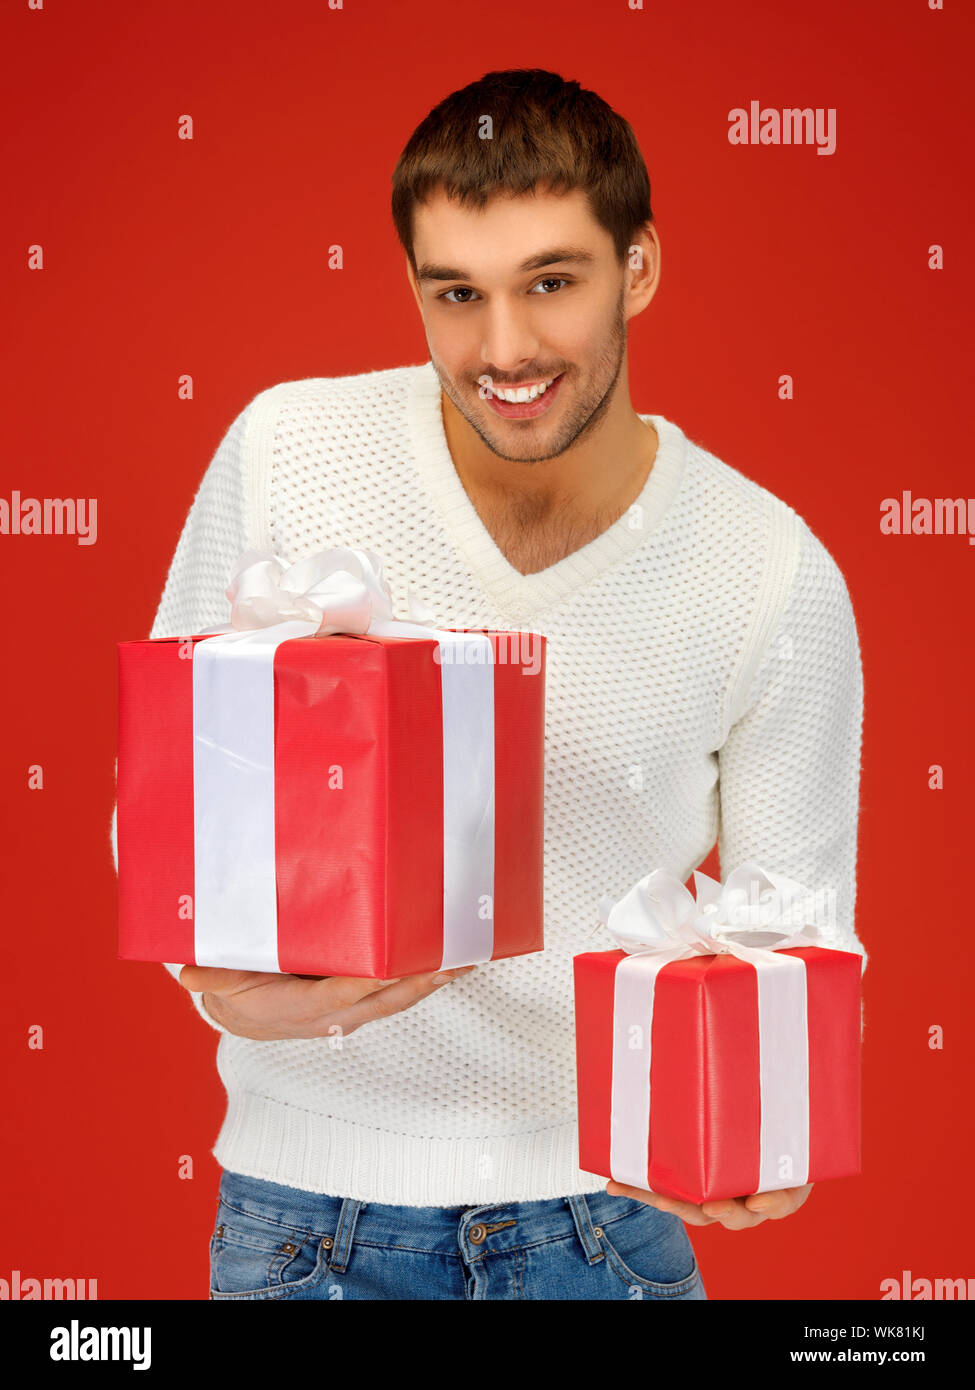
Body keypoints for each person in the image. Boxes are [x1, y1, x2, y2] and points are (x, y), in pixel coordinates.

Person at [111, 68, 866, 1300]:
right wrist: (220, 989)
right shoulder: (289, 450)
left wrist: (774, 1121)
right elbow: (159, 822)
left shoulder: (770, 571)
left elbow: (798, 936)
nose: (503, 349)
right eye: (455, 293)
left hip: (604, 1231)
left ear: (641, 268)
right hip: (305, 1224)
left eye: (551, 283)